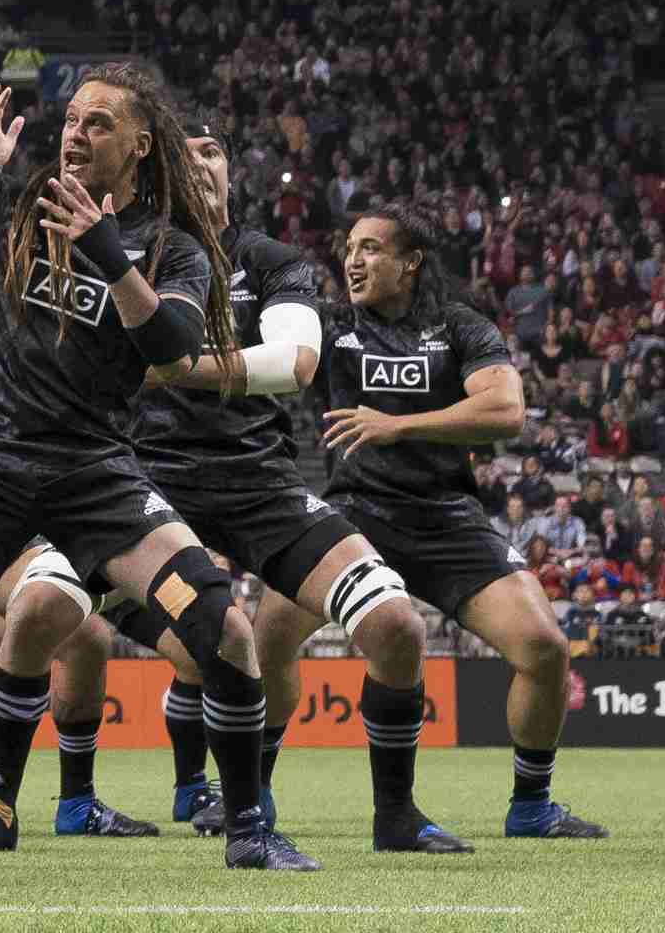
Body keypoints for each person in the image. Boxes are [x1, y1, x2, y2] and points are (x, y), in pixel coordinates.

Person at [0, 0, 305, 871]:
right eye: (72, 119)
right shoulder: (10, 201)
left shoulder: (177, 247)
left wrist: (104, 250)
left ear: (142, 149)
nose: (75, 135)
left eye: (99, 124)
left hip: (97, 472)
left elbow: (165, 349)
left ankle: (249, 834)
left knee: (226, 630)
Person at [119, 132, 445, 849]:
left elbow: (292, 363)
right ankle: (11, 803)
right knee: (48, 609)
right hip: (138, 479)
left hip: (258, 481)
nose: (198, 161)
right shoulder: (120, 250)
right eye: (183, 152)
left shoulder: (271, 261)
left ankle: (395, 815)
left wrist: (173, 364)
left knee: (397, 625)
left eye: (211, 151)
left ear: (232, 172)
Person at [259, 205, 609, 844]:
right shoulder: (334, 325)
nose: (354, 261)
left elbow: (505, 410)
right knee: (270, 634)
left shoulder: (459, 327)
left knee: (546, 649)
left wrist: (399, 426)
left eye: (371, 249)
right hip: (354, 514)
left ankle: (531, 806)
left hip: (447, 517)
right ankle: (253, 793)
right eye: (350, 249)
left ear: (411, 261)